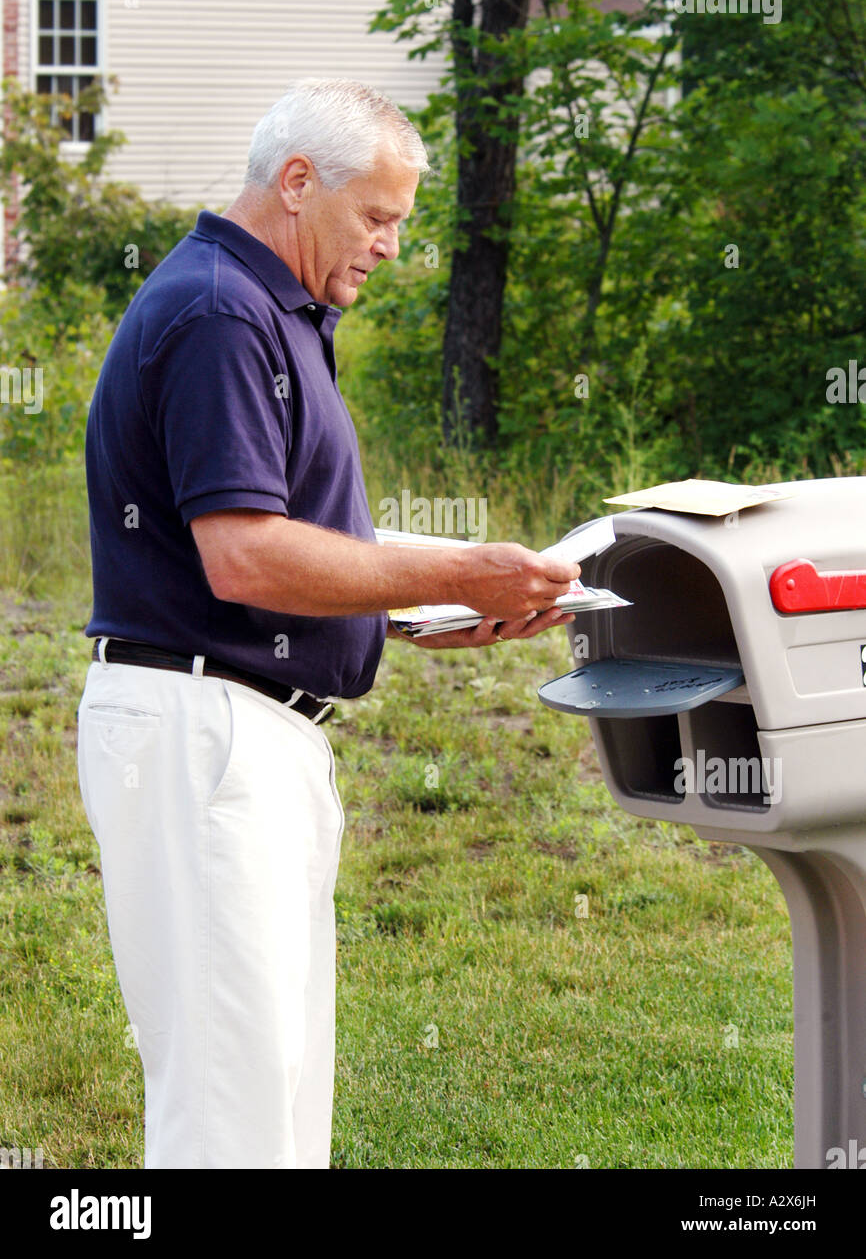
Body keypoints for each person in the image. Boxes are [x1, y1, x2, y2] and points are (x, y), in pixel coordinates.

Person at [76, 77, 579, 1169]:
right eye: (379, 217)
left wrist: (414, 606)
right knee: (231, 1112)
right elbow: (243, 552)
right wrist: (454, 564)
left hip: (245, 730)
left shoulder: (269, 307)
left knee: (276, 1103)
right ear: (297, 183)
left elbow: (254, 544)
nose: (392, 247)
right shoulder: (220, 312)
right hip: (205, 735)